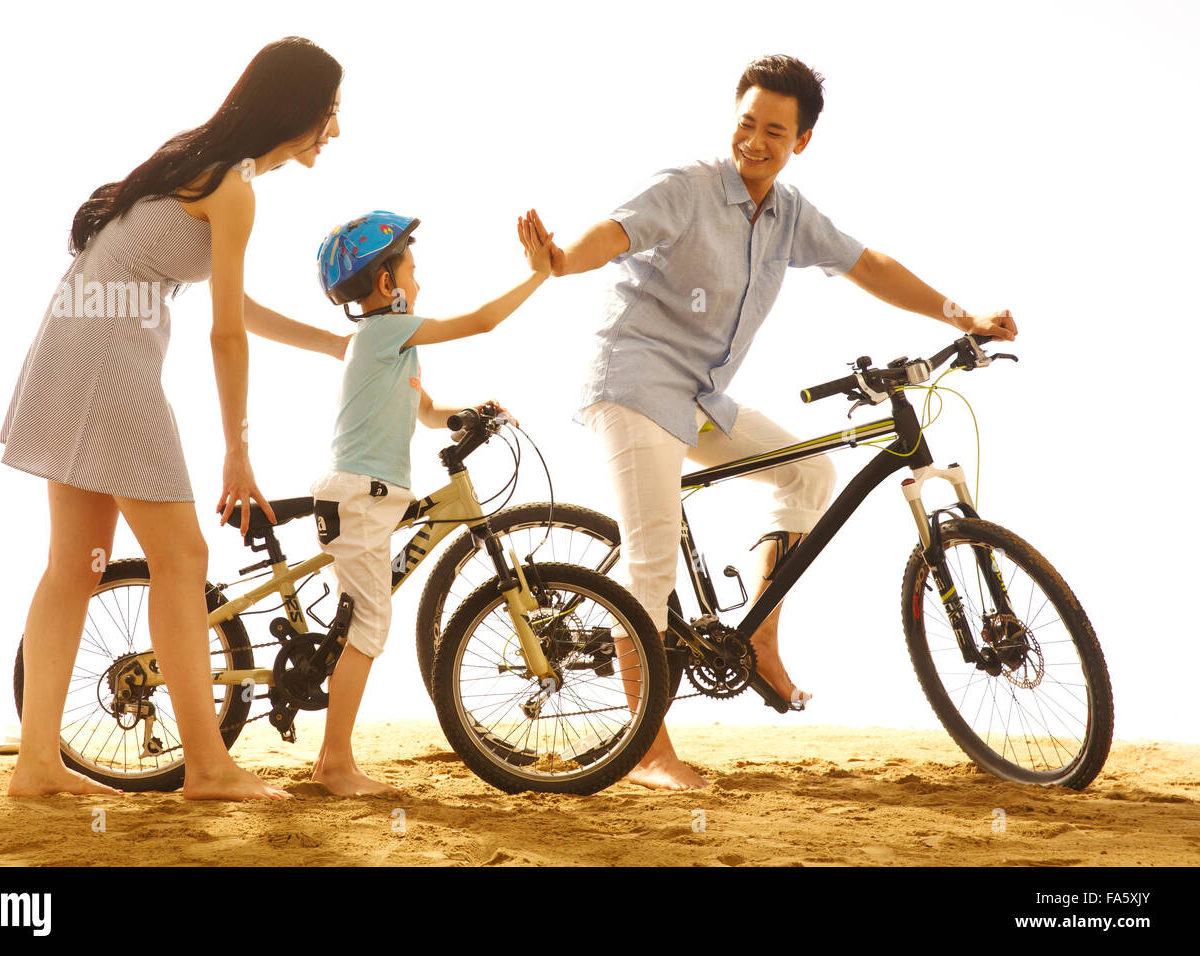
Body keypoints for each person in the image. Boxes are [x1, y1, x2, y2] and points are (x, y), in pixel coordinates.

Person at [536, 54, 1017, 790]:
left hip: (697, 398)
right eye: (746, 124)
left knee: (808, 468)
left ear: (802, 141)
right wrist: (563, 259)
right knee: (652, 561)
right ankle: (646, 752)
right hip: (633, 385)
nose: (755, 141)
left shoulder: (789, 215)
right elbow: (617, 232)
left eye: (775, 131)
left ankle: (759, 632)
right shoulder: (688, 188)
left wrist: (962, 315)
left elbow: (868, 263)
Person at [0, 37, 348, 800]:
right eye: (331, 113)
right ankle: (209, 766)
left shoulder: (205, 169)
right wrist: (238, 452)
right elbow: (222, 334)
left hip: (67, 352)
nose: (336, 131)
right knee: (183, 558)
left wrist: (334, 345)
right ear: (298, 110)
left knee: (76, 567)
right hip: (107, 371)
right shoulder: (233, 185)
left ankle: (35, 769)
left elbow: (237, 308)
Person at [307, 208, 554, 795]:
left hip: (370, 497)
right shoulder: (386, 331)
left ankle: (334, 758)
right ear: (388, 285)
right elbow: (482, 322)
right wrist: (538, 274)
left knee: (361, 619)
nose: (419, 282)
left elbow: (426, 413)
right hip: (363, 498)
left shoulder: (390, 346)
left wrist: (471, 414)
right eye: (412, 271)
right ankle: (334, 765)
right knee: (368, 625)